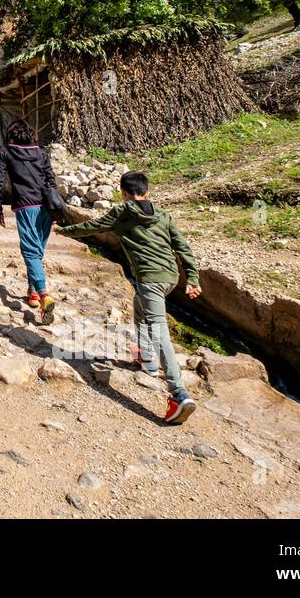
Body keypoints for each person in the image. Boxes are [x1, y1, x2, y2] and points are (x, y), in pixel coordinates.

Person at [57, 170, 202, 424]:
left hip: (150, 279)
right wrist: (192, 278)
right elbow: (182, 246)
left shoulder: (122, 213)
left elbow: (92, 227)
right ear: (147, 191)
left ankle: (178, 392)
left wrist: (63, 231)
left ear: (124, 192)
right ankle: (146, 358)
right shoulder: (163, 214)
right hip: (171, 278)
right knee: (139, 308)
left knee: (158, 329)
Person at [0, 121, 59, 325]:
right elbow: (51, 181)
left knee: (30, 252)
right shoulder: (41, 153)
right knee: (37, 250)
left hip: (25, 207)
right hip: (46, 207)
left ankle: (44, 294)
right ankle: (32, 293)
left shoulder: (6, 152)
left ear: (11, 135)